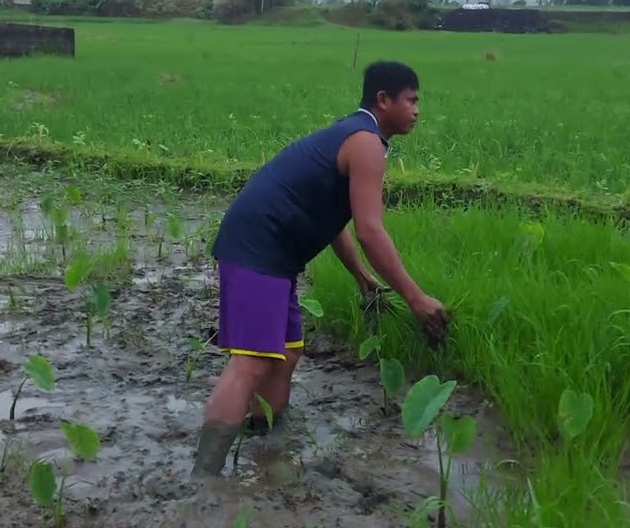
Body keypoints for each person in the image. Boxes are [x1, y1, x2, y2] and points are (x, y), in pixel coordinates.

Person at [191, 60, 451, 478]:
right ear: (383, 100)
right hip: (259, 248)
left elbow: (332, 221)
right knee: (250, 362)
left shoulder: (357, 137)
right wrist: (415, 297)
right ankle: (203, 479)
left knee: (287, 354)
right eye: (412, 100)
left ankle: (266, 441)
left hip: (275, 255)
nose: (418, 109)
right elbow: (369, 229)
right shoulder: (365, 142)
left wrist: (361, 275)